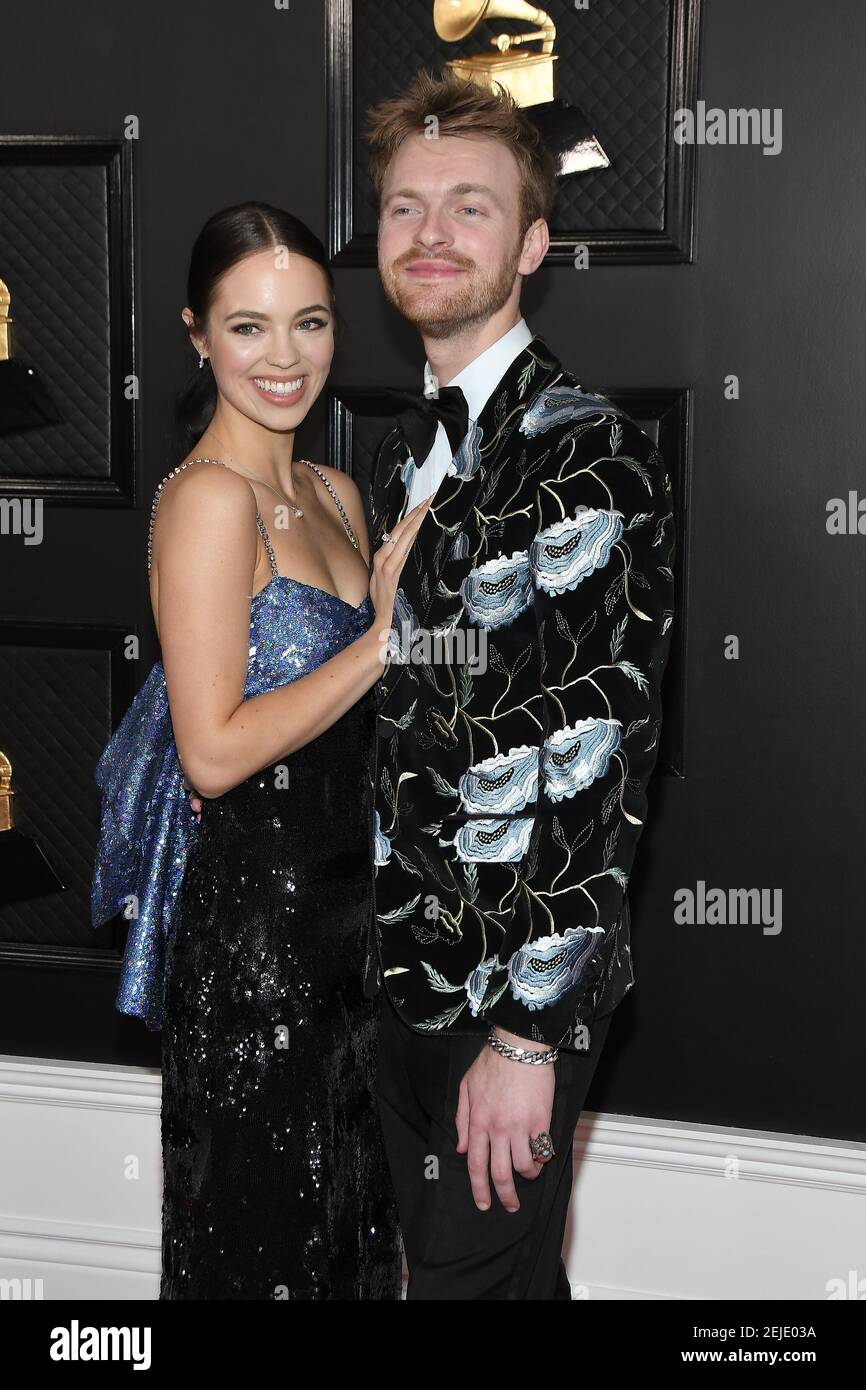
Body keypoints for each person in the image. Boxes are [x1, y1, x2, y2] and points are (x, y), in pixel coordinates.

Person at [361, 70, 676, 1299]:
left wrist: (525, 1033)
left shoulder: (591, 452)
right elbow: (427, 678)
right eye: (403, 208)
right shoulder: (400, 449)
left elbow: (598, 752)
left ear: (533, 245)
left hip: (510, 988)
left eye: (468, 207)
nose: (429, 234)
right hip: (400, 975)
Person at [90, 201, 430, 1299]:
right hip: (254, 950)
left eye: (310, 323)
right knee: (263, 1246)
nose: (284, 358)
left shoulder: (334, 492)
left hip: (350, 939)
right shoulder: (205, 501)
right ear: (196, 334)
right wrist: (381, 644)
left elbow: (363, 726)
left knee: (352, 1246)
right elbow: (213, 753)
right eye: (247, 328)